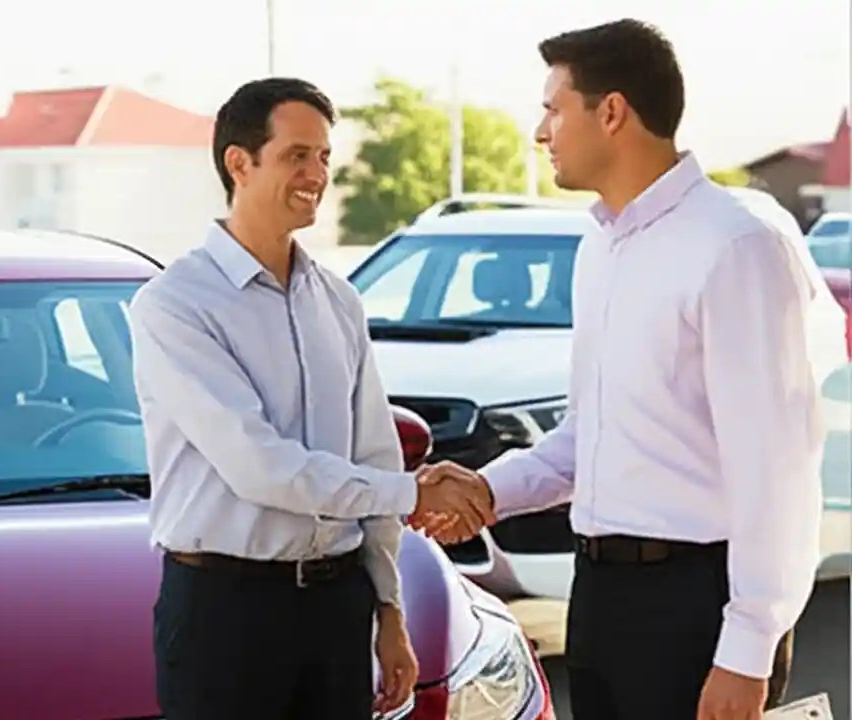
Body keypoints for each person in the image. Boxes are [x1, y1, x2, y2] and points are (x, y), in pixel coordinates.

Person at [416, 18, 847, 720]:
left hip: (698, 610)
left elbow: (779, 469)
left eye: (553, 108)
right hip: (603, 600)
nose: (540, 132)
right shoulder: (602, 247)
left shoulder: (734, 245)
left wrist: (747, 650)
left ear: (611, 111)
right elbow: (593, 438)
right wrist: (486, 490)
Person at [129, 77, 493, 720]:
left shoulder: (338, 300)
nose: (317, 174)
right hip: (224, 615)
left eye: (324, 156)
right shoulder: (174, 306)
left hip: (335, 610)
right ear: (238, 163)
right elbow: (261, 467)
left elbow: (375, 453)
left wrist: (389, 609)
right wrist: (414, 494)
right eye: (297, 155)